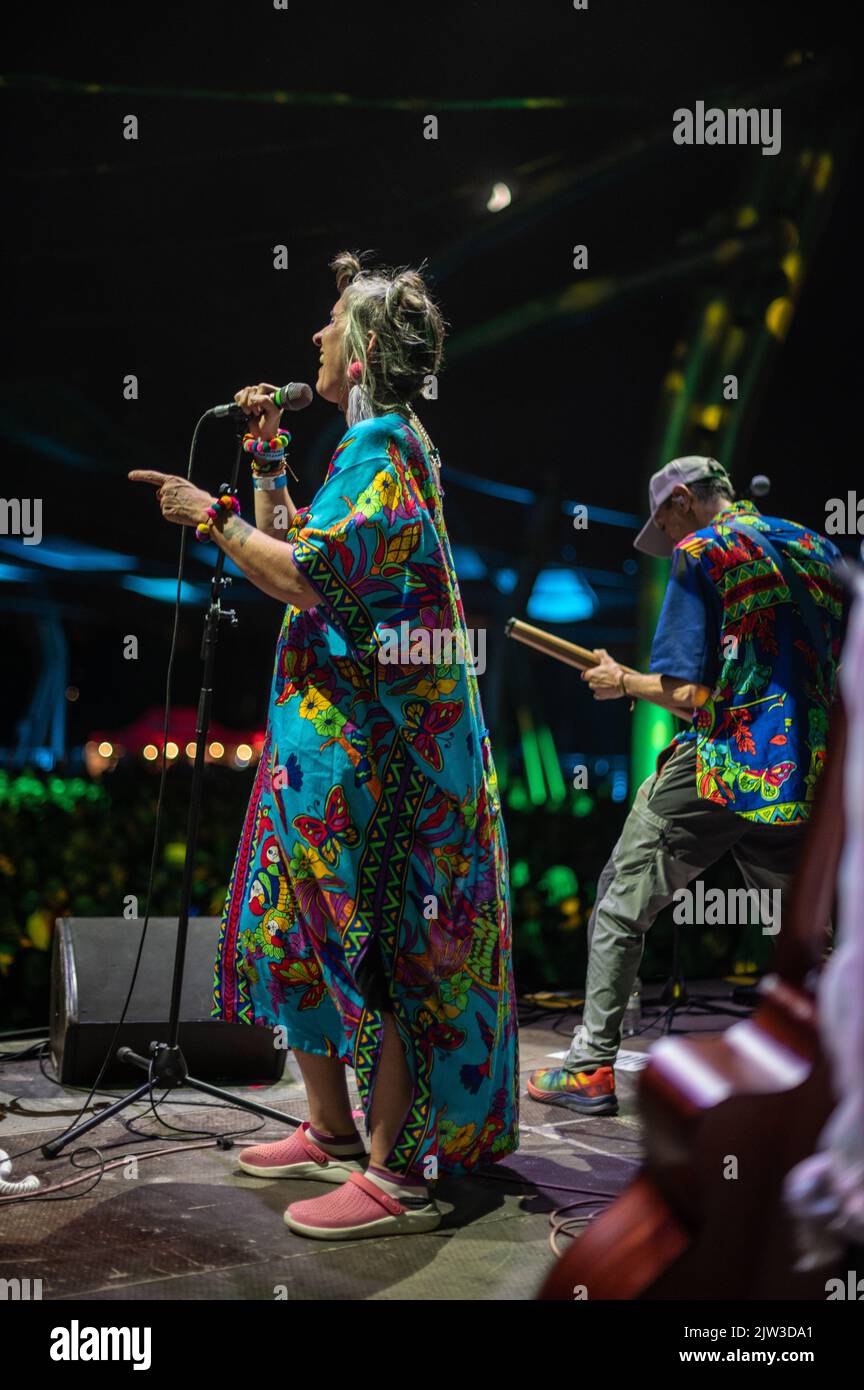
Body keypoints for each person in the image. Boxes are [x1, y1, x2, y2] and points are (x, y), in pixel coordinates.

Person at [130, 250, 518, 1238]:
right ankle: (331, 1127)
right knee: (300, 929)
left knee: (381, 942)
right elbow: (295, 554)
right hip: (325, 747)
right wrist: (264, 463)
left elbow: (304, 578)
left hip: (387, 763)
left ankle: (400, 1176)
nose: (313, 336)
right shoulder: (365, 453)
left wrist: (209, 513)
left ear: (368, 347)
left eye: (332, 318)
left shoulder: (387, 452)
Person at [527, 456, 843, 1116]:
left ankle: (588, 1070)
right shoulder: (816, 547)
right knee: (821, 926)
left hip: (733, 761)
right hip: (814, 771)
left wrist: (624, 682)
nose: (667, 538)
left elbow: (690, 693)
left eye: (665, 523)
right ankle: (846, 1073)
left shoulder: (703, 552)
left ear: (680, 501)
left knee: (621, 895)